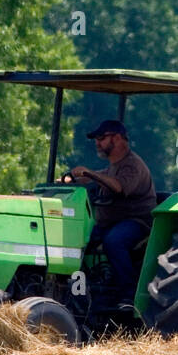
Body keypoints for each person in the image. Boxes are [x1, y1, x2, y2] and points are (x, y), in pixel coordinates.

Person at [71, 120, 156, 303]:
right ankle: (80, 290)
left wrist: (90, 173)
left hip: (137, 222)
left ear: (117, 138)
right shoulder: (113, 167)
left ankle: (128, 295)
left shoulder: (133, 165)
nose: (97, 143)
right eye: (96, 139)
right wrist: (70, 180)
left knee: (114, 241)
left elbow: (118, 186)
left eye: (101, 138)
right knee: (79, 238)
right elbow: (99, 177)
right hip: (110, 222)